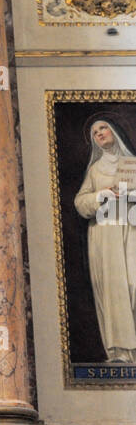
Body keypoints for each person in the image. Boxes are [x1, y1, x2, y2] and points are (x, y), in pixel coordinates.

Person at [74, 116, 136, 362]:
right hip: (104, 235)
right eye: (95, 132)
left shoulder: (130, 163)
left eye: (103, 128)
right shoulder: (95, 170)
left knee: (133, 285)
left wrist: (128, 193)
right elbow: (81, 202)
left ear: (114, 131)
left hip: (130, 230)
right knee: (113, 291)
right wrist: (101, 194)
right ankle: (120, 352)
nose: (99, 133)